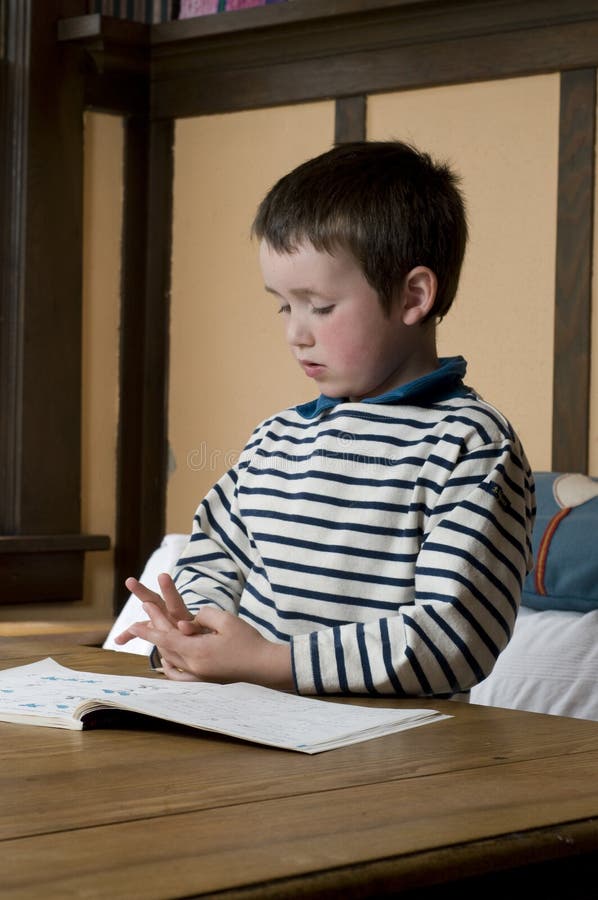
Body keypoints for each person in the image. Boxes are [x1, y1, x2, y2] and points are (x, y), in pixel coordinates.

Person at [116, 140, 535, 697]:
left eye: (320, 306)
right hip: (241, 724)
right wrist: (189, 631)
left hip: (391, 744)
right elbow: (215, 556)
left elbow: (453, 637)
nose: (295, 333)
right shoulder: (275, 439)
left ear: (412, 296)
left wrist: (268, 662)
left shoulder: (471, 446)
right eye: (283, 305)